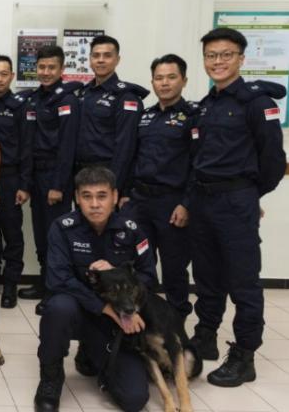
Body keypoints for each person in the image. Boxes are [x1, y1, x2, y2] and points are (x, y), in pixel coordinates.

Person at [186, 28, 286, 387]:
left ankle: (244, 355)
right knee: (208, 276)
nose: (217, 61)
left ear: (241, 58)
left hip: (235, 201)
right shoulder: (205, 106)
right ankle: (206, 336)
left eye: (225, 55)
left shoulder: (258, 102)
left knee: (243, 281)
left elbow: (274, 159)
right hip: (203, 200)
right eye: (211, 55)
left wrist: (249, 195)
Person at [34, 166, 157, 412]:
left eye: (101, 196)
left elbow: (148, 277)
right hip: (82, 312)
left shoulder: (131, 229)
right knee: (58, 306)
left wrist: (117, 273)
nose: (94, 204)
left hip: (116, 324)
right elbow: (57, 280)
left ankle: (91, 354)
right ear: (77, 198)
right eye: (87, 196)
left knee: (134, 400)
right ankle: (50, 379)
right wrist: (107, 309)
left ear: (114, 196)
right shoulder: (62, 227)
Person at [120, 54, 196, 320]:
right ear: (152, 81)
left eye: (171, 77)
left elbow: (198, 165)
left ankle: (176, 322)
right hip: (140, 202)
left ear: (184, 80)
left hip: (172, 203)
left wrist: (186, 203)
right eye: (159, 78)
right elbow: (132, 157)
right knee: (139, 264)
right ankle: (145, 318)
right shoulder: (145, 116)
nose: (164, 83)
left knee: (174, 267)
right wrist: (126, 194)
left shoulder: (192, 117)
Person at [18, 46, 82, 306]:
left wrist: (58, 186)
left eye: (51, 68)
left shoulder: (67, 100)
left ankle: (56, 291)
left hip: (56, 179)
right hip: (36, 176)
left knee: (57, 237)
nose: (45, 72)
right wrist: (26, 182)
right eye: (41, 67)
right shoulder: (34, 99)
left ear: (61, 69)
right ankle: (45, 284)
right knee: (42, 235)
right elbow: (28, 144)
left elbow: (68, 147)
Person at [0, 54, 31, 308]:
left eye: (3, 74)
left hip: (11, 179)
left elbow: (27, 148)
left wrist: (24, 184)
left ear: (11, 76)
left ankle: (10, 283)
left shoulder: (21, 106)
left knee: (12, 234)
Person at [75, 35, 148, 194]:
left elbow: (126, 147)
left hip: (107, 174)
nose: (101, 60)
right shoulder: (83, 93)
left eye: (107, 55)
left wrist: (115, 186)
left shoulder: (126, 97)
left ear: (117, 59)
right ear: (90, 59)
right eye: (96, 55)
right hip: (80, 174)